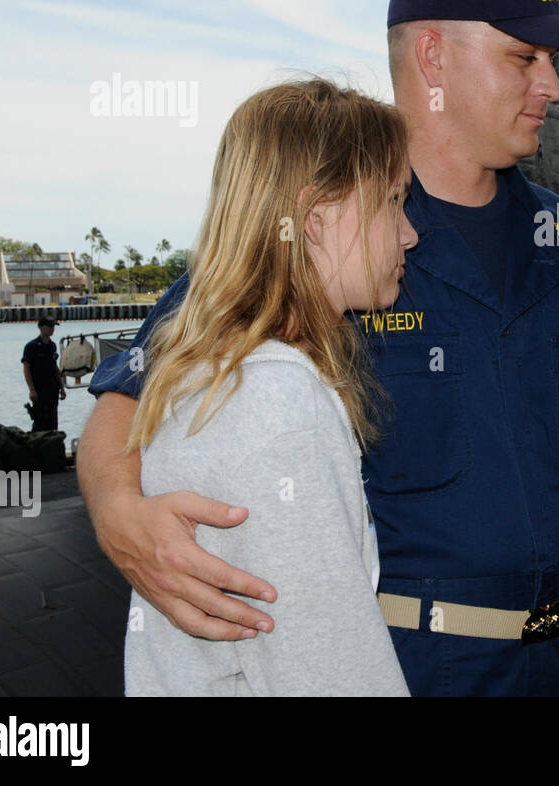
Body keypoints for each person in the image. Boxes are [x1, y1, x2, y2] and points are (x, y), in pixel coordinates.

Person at [79, 0, 559, 696]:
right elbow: (133, 397)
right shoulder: (324, 242)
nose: (549, 83)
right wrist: (118, 516)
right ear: (432, 57)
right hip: (408, 666)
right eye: (524, 56)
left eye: (552, 60)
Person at [123, 80, 414, 696]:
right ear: (316, 219)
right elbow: (332, 673)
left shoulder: (212, 373)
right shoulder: (278, 403)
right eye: (393, 201)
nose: (410, 232)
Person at [22, 317, 65, 431]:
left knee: (52, 420)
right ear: (40, 327)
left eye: (53, 326)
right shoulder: (32, 346)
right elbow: (26, 368)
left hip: (52, 389)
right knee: (40, 420)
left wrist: (62, 387)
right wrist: (31, 389)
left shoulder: (52, 346)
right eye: (49, 326)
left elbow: (54, 367)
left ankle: (52, 443)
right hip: (39, 389)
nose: (52, 329)